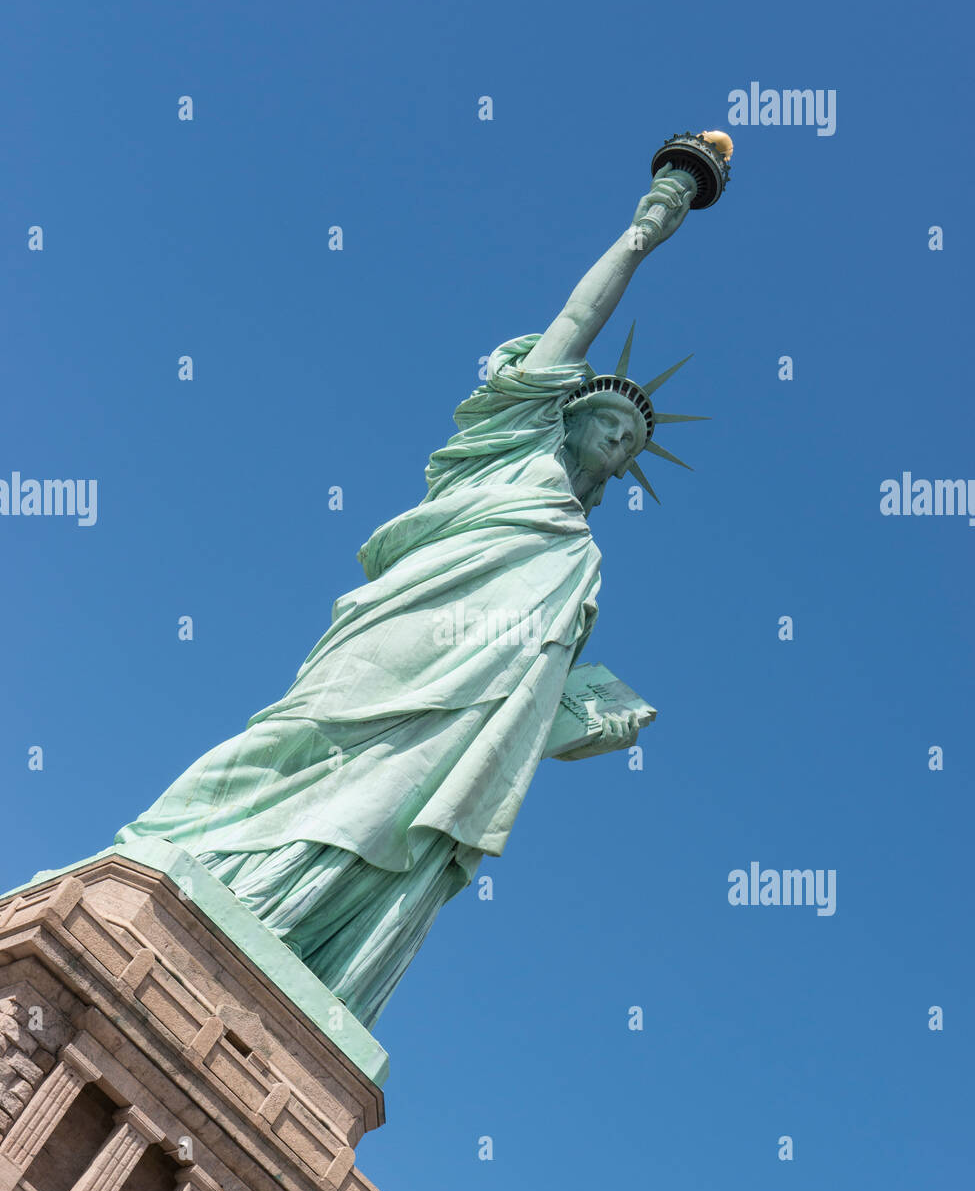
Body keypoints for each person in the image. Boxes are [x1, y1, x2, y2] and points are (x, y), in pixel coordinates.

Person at [114, 167, 696, 1030]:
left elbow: (534, 692)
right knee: (298, 737)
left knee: (401, 810)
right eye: (608, 424)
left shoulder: (583, 558)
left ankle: (301, 948)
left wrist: (580, 720)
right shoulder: (505, 452)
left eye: (628, 444)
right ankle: (169, 858)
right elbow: (575, 325)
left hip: (462, 717)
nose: (615, 445)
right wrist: (645, 230)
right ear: (566, 415)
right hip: (399, 640)